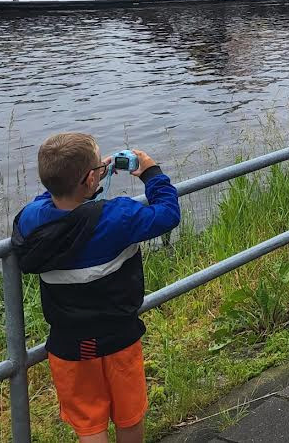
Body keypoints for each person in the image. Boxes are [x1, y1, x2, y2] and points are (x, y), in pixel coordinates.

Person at [11, 133, 181, 443]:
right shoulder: (118, 216)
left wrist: (75, 182)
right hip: (119, 337)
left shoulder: (31, 222)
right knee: (128, 415)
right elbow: (168, 214)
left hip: (69, 344)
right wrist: (151, 173)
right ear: (90, 179)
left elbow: (47, 203)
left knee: (90, 424)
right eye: (98, 167)